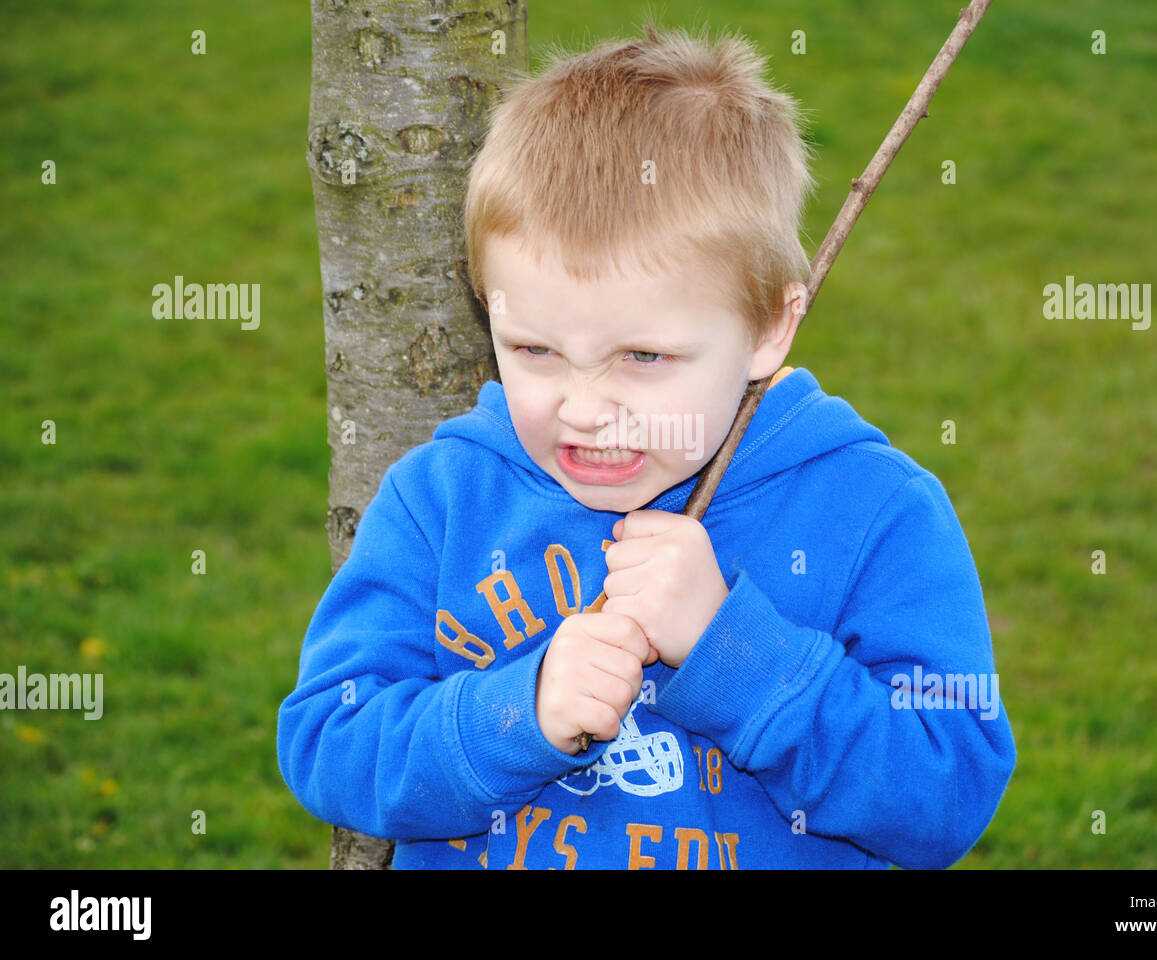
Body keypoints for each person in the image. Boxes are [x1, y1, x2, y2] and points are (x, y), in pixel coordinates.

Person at [277, 23, 1015, 869]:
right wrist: (519, 713)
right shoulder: (444, 499)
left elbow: (948, 789)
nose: (585, 410)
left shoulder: (872, 512)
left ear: (772, 324)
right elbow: (329, 738)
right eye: (536, 351)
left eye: (644, 357)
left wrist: (733, 651)